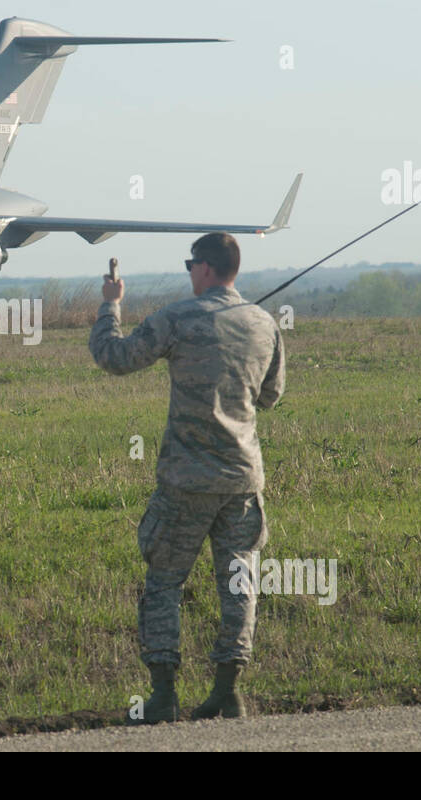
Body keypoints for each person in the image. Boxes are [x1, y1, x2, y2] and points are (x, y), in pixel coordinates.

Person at [89, 232, 285, 723]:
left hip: (186, 482)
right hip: (242, 480)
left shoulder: (177, 318)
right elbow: (270, 396)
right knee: (238, 583)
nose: (188, 272)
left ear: (204, 268)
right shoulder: (264, 324)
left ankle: (163, 695)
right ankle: (227, 691)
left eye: (189, 264)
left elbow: (113, 357)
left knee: (164, 583)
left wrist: (112, 305)